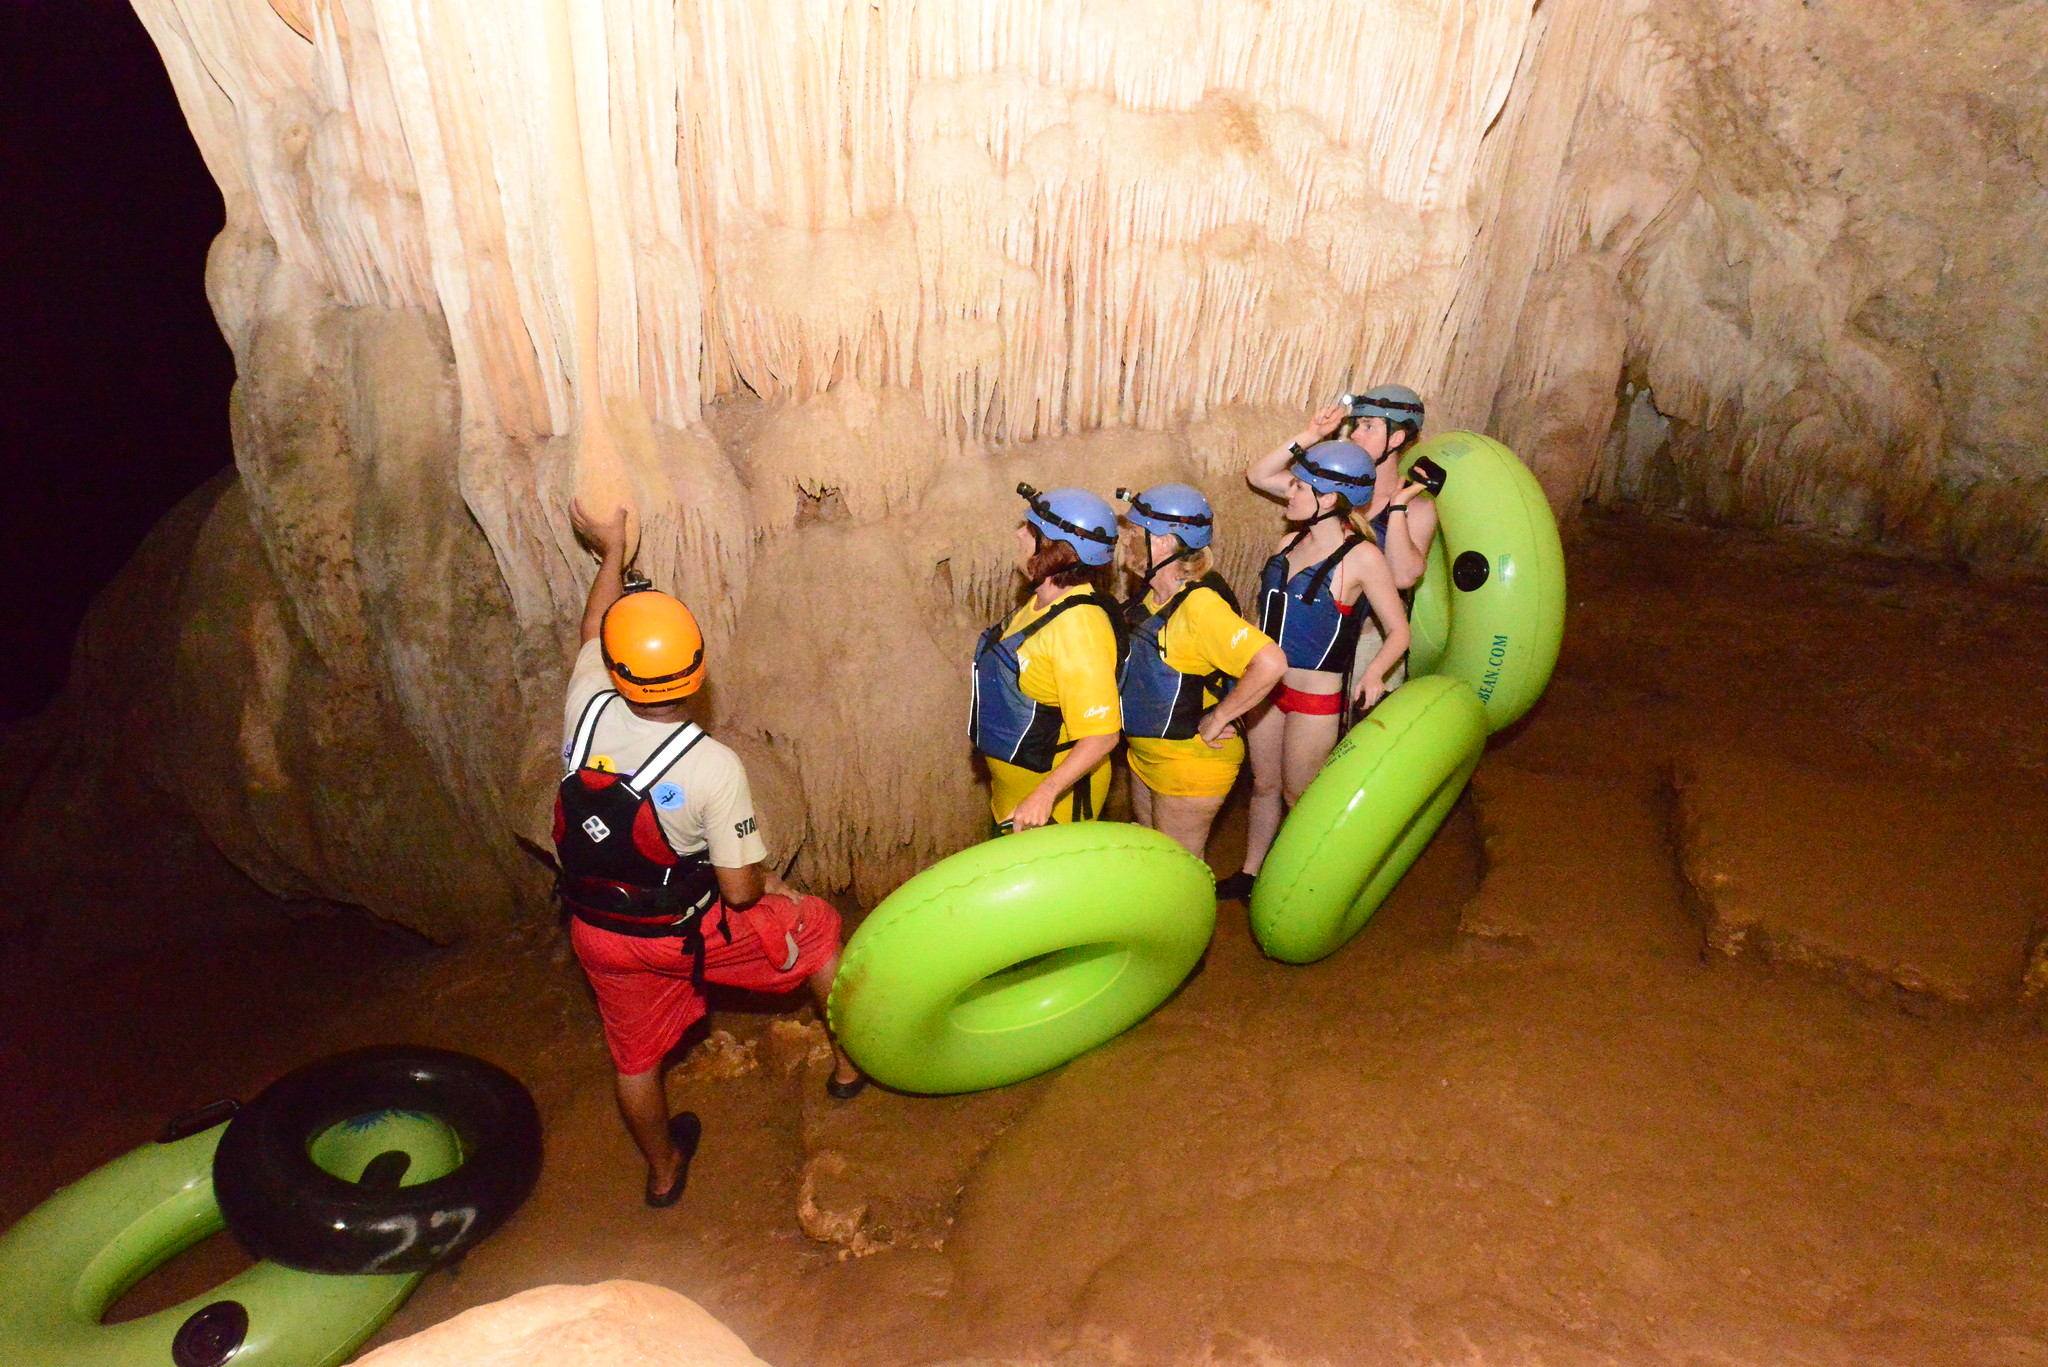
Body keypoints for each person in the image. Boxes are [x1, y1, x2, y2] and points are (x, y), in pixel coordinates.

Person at [557, 500, 863, 1210]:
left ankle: (664, 1172)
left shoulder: (587, 703)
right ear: (696, 676)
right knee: (814, 927)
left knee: (634, 1059)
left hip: (598, 930)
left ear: (616, 668)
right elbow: (738, 891)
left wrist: (610, 552)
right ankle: (849, 1066)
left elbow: (590, 632)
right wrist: (775, 884)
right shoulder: (711, 766)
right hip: (680, 931)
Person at [1216, 426, 1411, 903]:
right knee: (1263, 786)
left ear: (1330, 499)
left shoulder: (1363, 556)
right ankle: (1251, 873)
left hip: (1316, 696)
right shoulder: (1288, 545)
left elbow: (1399, 631)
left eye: (1301, 486)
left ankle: (1300, 887)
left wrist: (1372, 673)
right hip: (1270, 691)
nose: (1291, 491)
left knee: (1298, 796)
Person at [1115, 483, 1286, 860]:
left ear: (1162, 542)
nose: (1126, 539)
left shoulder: (1200, 606)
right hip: (1148, 755)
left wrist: (1221, 716)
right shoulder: (1153, 594)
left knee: (1179, 872)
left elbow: (1270, 662)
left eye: (1135, 531)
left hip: (1192, 764)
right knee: (1152, 859)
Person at [970, 485, 1124, 831]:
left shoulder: (1079, 628)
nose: (1018, 534)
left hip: (1054, 805)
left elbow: (1103, 735)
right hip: (1016, 794)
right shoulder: (1044, 602)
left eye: (1030, 530)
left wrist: (1045, 794)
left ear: (1054, 549)